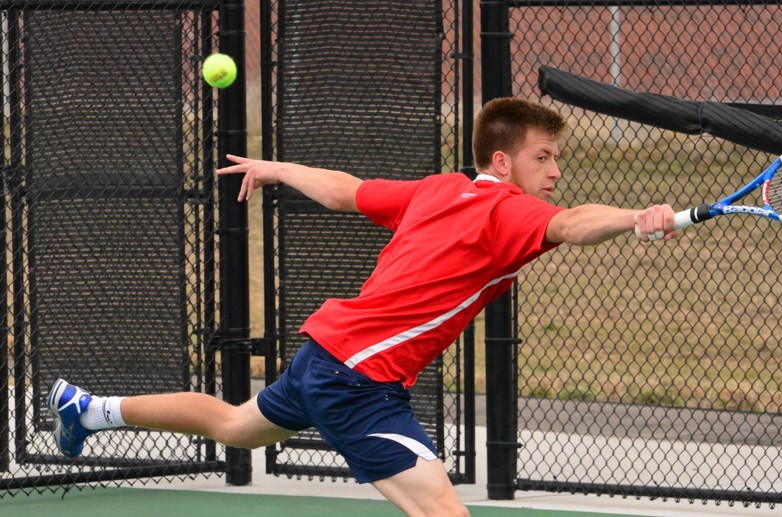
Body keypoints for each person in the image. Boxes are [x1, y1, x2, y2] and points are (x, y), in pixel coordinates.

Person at [48, 97, 676, 517]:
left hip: (330, 354)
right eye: (545, 157)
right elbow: (571, 224)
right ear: (504, 161)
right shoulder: (509, 208)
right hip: (358, 380)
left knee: (235, 426)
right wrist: (639, 218)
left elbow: (347, 192)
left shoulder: (439, 188)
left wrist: (280, 167)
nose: (556, 170)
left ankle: (88, 409)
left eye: (558, 158)